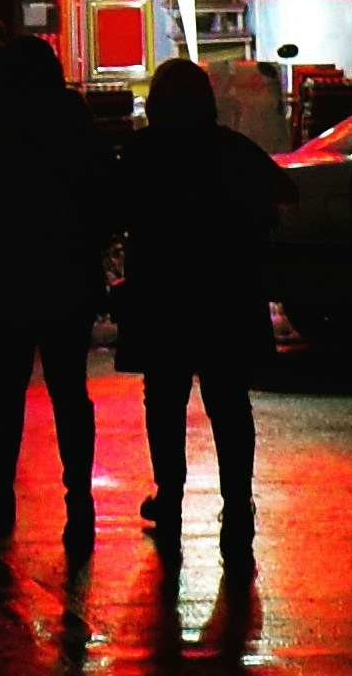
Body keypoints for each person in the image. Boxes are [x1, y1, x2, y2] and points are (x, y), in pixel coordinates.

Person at [0, 30, 117, 546]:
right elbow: (102, 197)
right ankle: (78, 497)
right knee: (70, 390)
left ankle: (2, 486)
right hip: (68, 271)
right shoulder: (75, 122)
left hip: (9, 274)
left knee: (7, 388)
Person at [115, 55, 281, 560]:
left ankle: (171, 500)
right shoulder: (231, 150)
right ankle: (238, 507)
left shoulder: (142, 153)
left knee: (163, 403)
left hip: (162, 293)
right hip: (225, 295)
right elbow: (278, 194)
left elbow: (115, 210)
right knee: (229, 404)